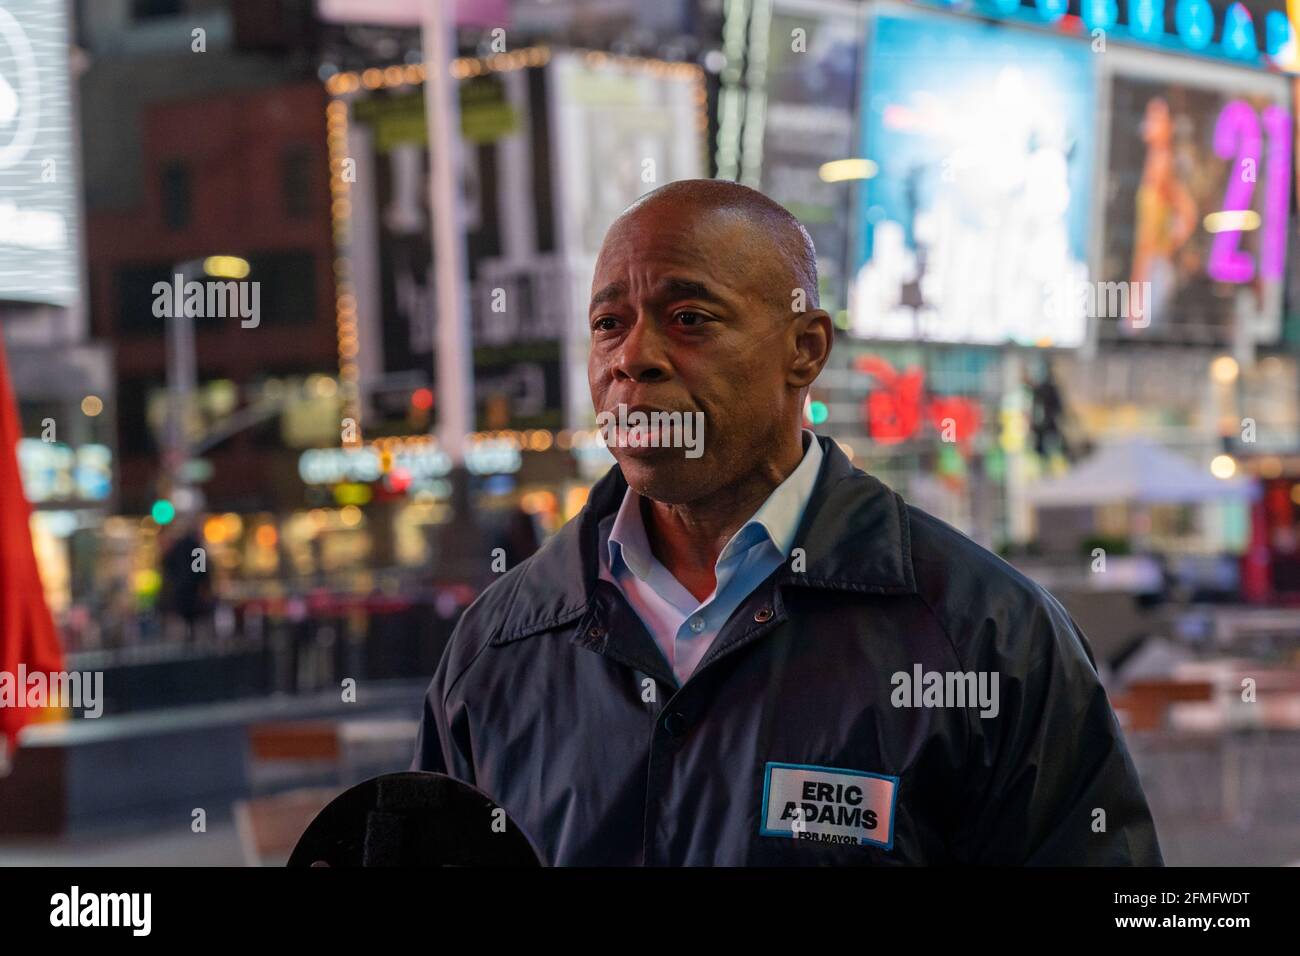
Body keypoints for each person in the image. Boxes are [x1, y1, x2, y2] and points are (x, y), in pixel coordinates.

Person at [413, 180, 1163, 866]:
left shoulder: (986, 639)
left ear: (804, 351)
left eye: (689, 319)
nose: (633, 358)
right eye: (610, 323)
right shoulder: (498, 650)